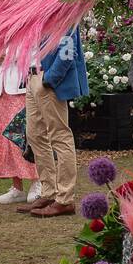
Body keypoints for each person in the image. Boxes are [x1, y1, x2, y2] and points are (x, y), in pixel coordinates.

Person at [21, 26, 88, 217]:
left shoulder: (65, 13)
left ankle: (65, 199)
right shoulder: (38, 12)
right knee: (34, 135)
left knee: (60, 135)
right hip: (33, 78)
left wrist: (50, 79)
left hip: (46, 80)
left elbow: (68, 50)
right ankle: (48, 192)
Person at [0, 60, 41, 205]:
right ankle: (17, 188)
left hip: (21, 85)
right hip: (2, 88)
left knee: (24, 135)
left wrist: (7, 54)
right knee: (5, 140)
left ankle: (37, 181)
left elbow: (33, 54)